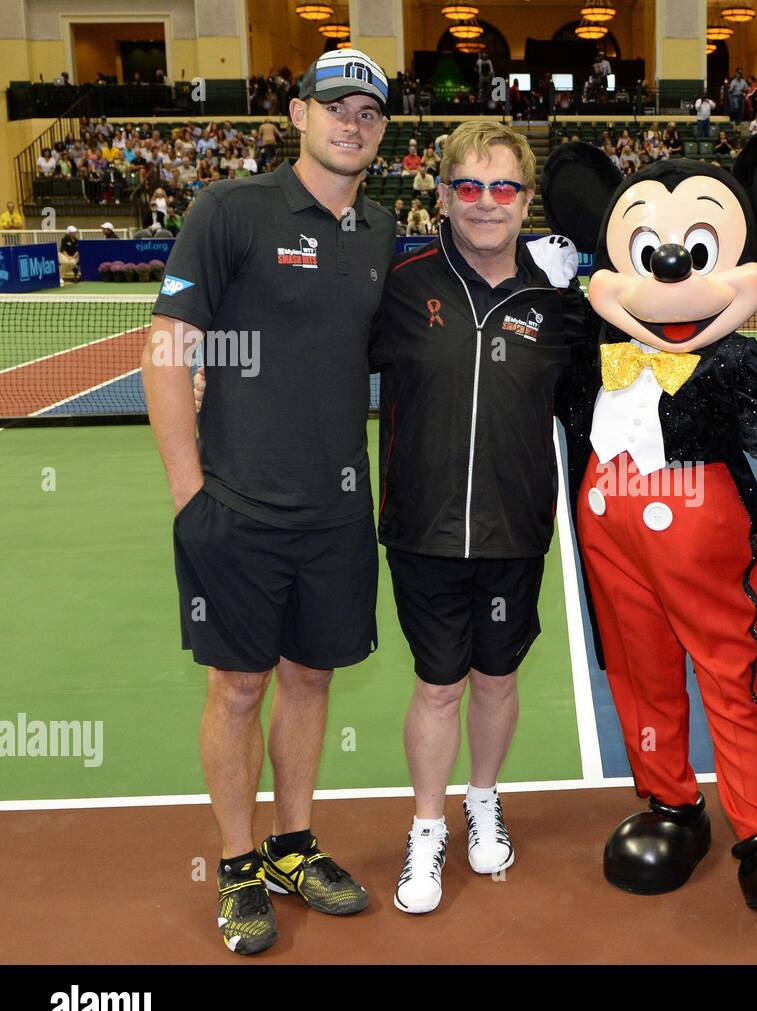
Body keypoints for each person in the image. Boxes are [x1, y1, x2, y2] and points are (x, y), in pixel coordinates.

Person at [140, 49, 396, 956]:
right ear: (297, 113)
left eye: (370, 111)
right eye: (337, 107)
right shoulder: (230, 211)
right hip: (236, 509)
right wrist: (189, 497)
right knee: (239, 685)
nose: (353, 122)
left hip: (337, 512)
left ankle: (294, 843)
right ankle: (239, 862)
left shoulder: (378, 228)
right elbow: (167, 348)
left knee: (311, 677)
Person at [367, 121, 587, 914]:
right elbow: (318, 360)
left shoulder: (555, 299)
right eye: (468, 186)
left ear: (526, 199)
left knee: (496, 677)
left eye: (503, 188)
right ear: (443, 196)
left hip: (516, 528)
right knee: (436, 686)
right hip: (421, 528)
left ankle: (483, 796)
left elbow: (599, 399)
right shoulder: (401, 284)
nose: (486, 203)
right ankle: (427, 826)